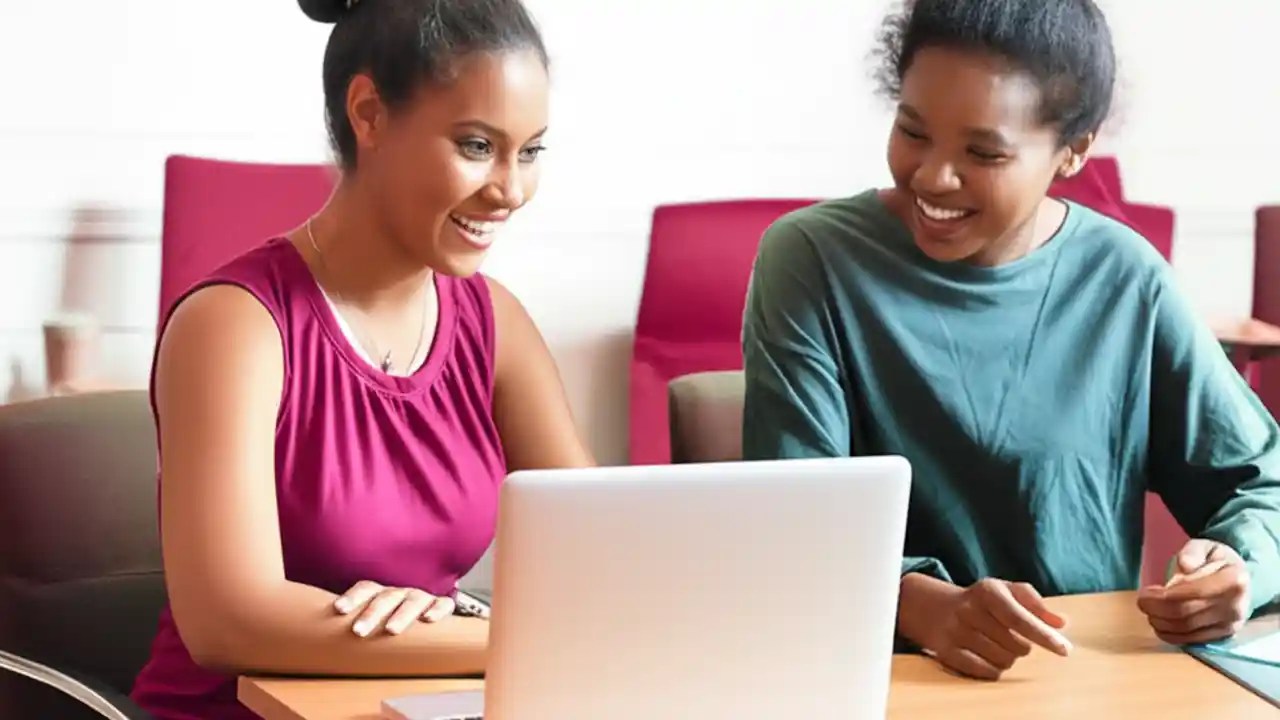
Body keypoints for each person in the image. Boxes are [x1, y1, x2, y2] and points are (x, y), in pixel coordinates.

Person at [741, 0, 1280, 682]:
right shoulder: (811, 261)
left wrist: (1239, 568)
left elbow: (1265, 486)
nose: (934, 177)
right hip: (880, 682)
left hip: (1081, 685)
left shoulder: (1125, 279)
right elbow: (791, 526)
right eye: (913, 131)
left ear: (1073, 151)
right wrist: (920, 606)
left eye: (983, 153)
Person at [129, 0, 591, 716]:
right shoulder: (235, 325)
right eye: (476, 146)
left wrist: (464, 622)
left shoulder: (495, 322)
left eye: (529, 151)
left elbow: (603, 561)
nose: (511, 190)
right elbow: (228, 622)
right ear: (369, 114)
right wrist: (488, 632)